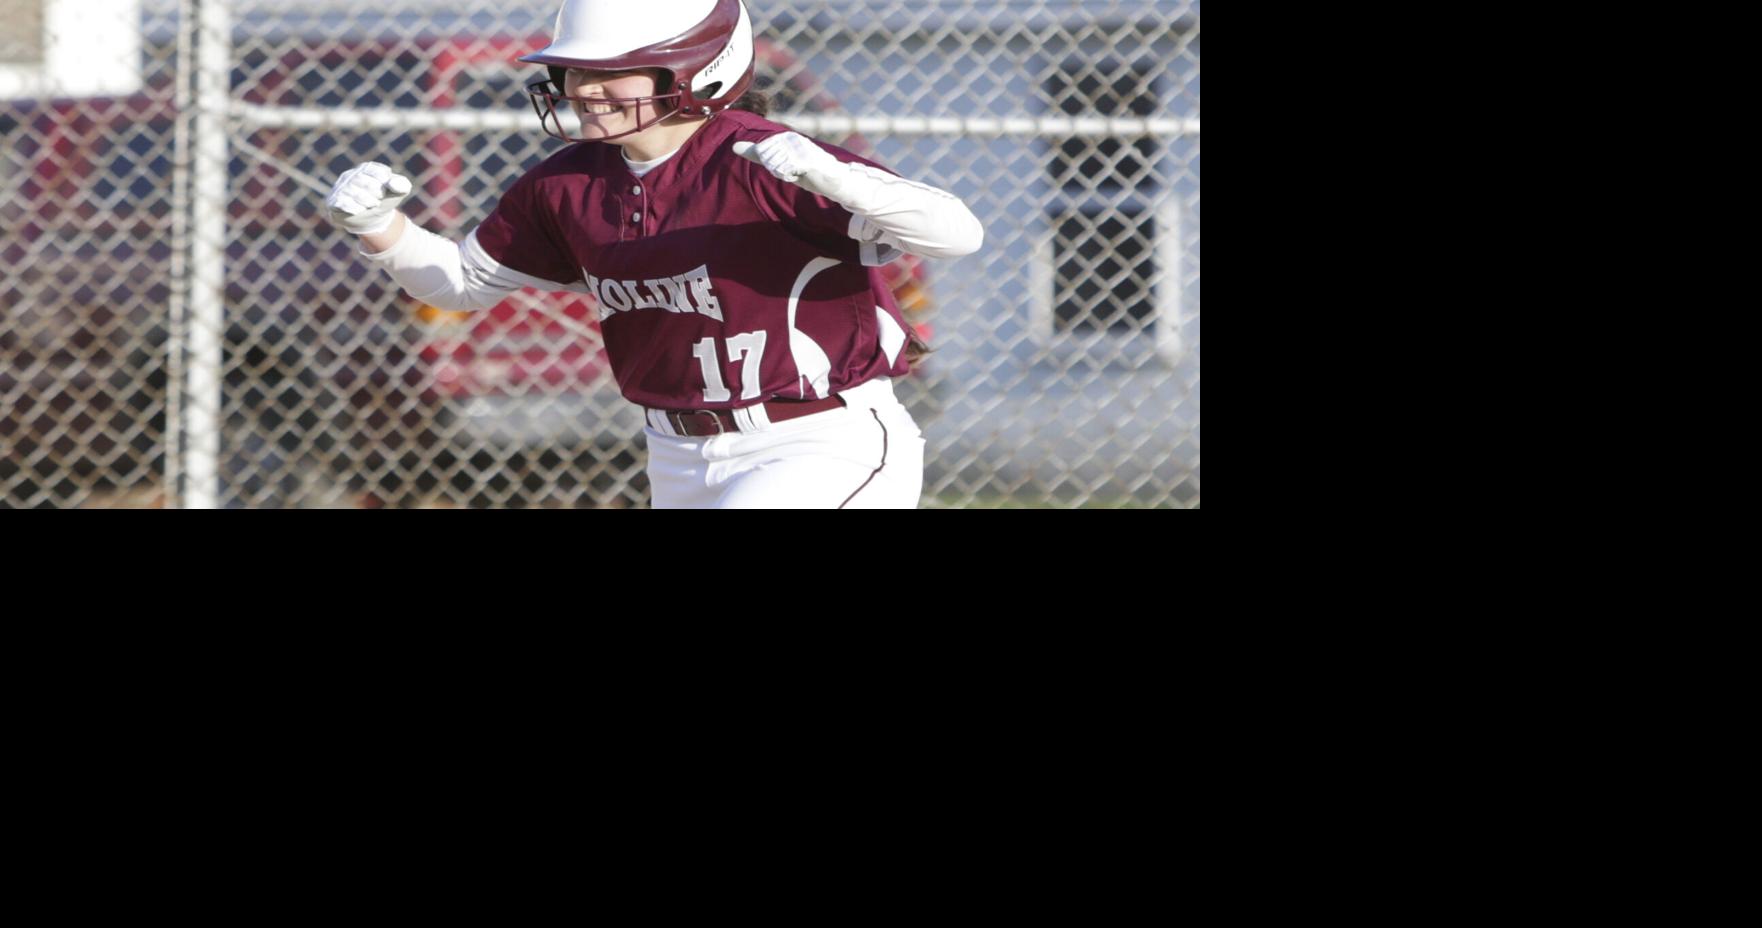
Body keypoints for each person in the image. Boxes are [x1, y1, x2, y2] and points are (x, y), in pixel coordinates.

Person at [323, 0, 983, 508]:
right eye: (576, 70)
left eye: (612, 72)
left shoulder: (764, 161)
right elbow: (459, 284)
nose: (583, 88)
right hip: (675, 453)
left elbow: (957, 234)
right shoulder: (567, 183)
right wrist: (381, 227)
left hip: (815, 440)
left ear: (696, 69)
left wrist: (836, 177)